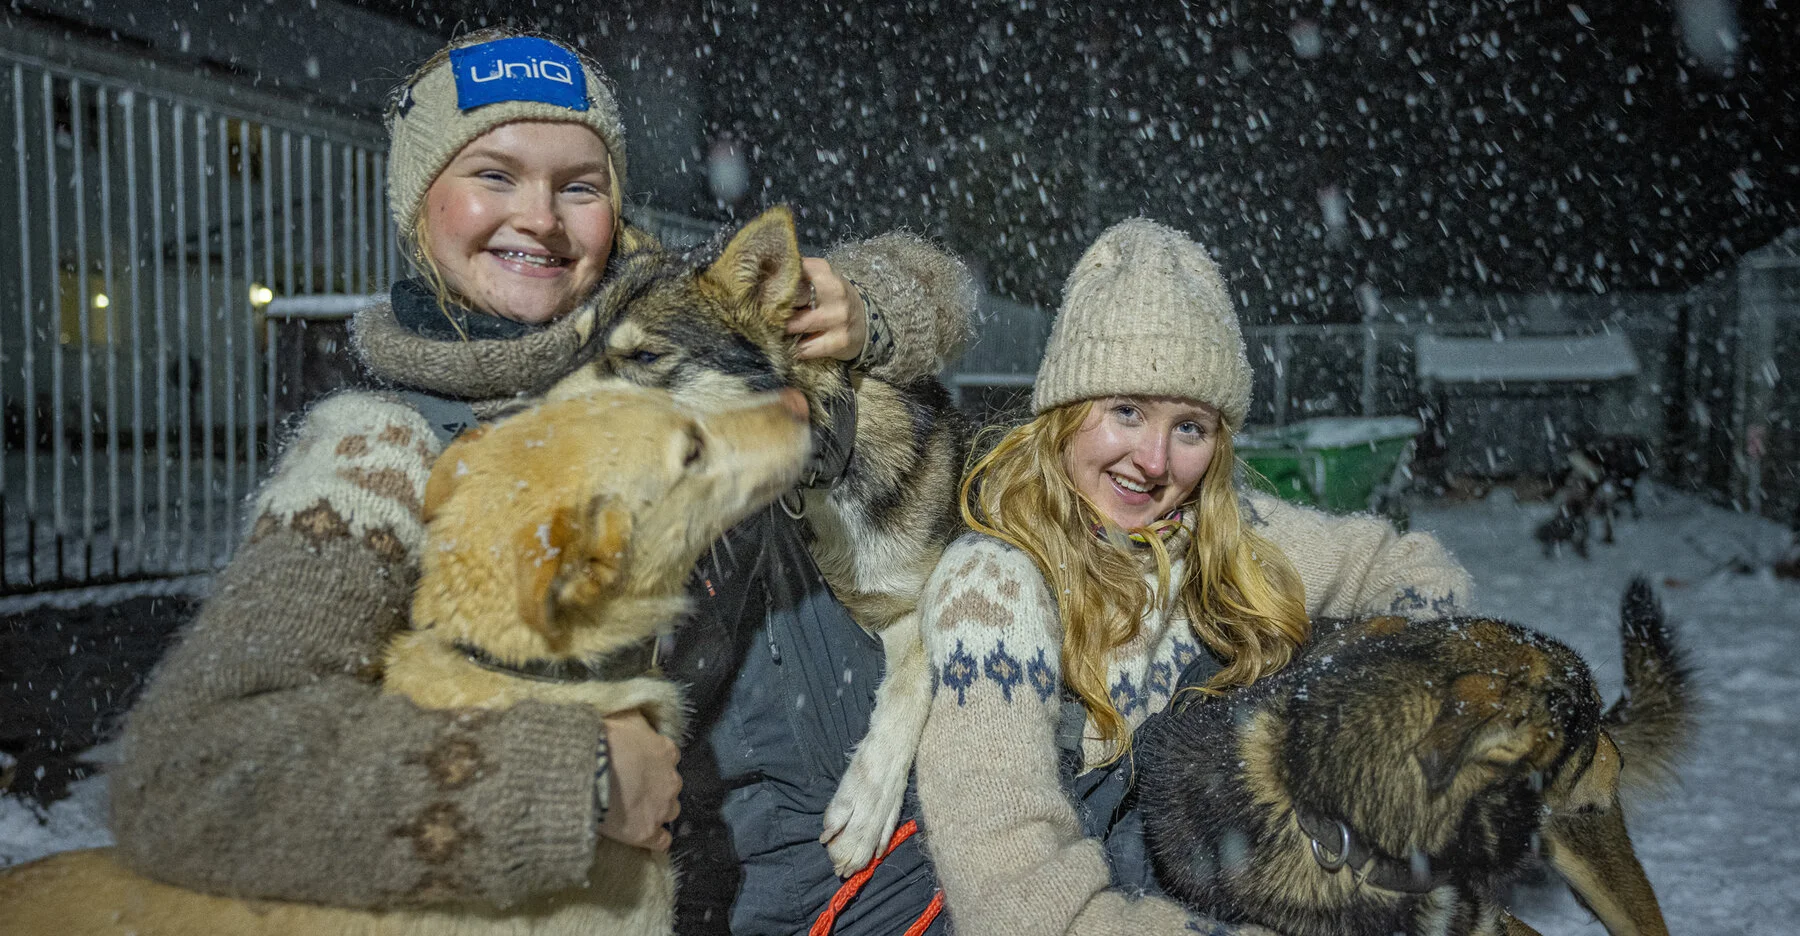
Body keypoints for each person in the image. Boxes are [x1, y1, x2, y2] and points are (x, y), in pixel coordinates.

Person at [108, 28, 970, 936]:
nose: (541, 218)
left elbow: (935, 289)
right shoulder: (379, 452)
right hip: (739, 904)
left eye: (580, 186)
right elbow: (191, 780)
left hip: (926, 853)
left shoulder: (655, 338)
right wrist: (573, 784)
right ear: (419, 202)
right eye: (493, 174)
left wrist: (871, 308)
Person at [912, 218, 1473, 935]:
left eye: (1190, 427)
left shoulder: (1223, 536)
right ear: (1062, 414)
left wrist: (1388, 702)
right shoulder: (991, 589)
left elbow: (1412, 568)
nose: (1154, 460)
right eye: (1126, 411)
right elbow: (1015, 898)